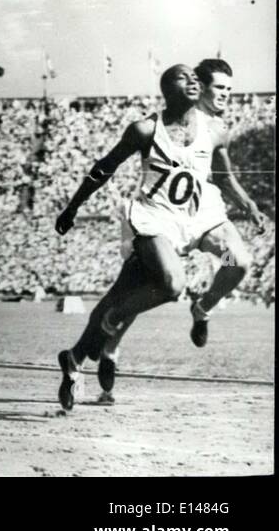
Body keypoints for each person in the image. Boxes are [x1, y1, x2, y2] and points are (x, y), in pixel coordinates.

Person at [77, 58, 267, 403]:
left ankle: (202, 308)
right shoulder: (170, 120)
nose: (225, 94)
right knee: (141, 288)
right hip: (159, 218)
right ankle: (109, 350)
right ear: (201, 87)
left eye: (229, 89)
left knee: (236, 262)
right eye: (218, 88)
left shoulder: (216, 127)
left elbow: (223, 177)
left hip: (202, 216)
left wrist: (249, 205)